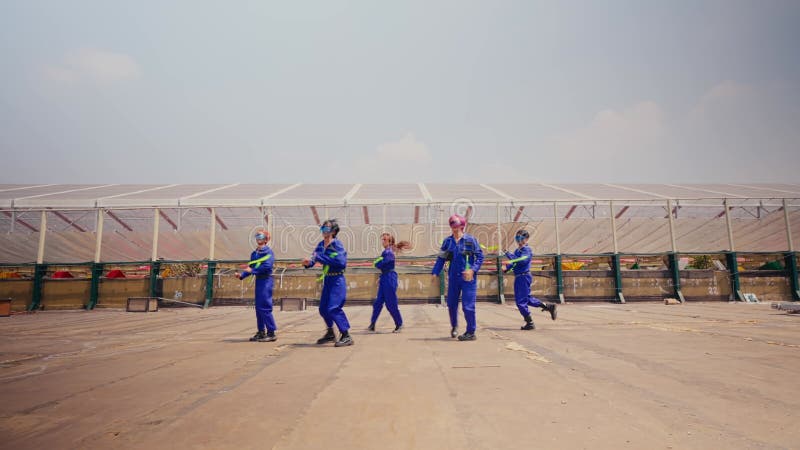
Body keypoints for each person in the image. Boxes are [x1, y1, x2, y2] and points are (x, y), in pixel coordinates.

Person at [432, 214, 484, 341]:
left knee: (468, 306)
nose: (454, 229)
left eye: (456, 226)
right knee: (451, 304)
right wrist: (435, 272)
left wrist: (473, 270)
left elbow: (480, 257)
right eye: (452, 226)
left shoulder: (470, 240)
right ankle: (454, 326)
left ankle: (471, 331)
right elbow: (441, 258)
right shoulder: (447, 242)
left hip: (468, 279)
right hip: (453, 277)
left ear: (462, 226)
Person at [303, 219, 353, 347]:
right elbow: (314, 258)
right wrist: (308, 263)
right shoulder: (320, 245)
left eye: (327, 229)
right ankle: (330, 333)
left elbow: (341, 262)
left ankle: (346, 335)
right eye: (323, 229)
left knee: (333, 308)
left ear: (333, 231)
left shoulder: (337, 245)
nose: (324, 231)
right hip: (328, 280)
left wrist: (320, 258)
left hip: (337, 280)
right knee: (323, 309)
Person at [503, 229, 557, 330]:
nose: (519, 240)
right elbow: (514, 262)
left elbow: (521, 261)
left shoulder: (527, 250)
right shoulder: (517, 251)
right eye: (517, 238)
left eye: (521, 238)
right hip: (519, 277)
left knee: (520, 302)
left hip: (524, 277)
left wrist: (508, 254)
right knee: (527, 299)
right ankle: (548, 306)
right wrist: (507, 268)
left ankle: (529, 322)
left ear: (526, 239)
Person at [236, 230, 277, 342]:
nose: (259, 238)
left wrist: (253, 270)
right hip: (259, 281)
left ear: (266, 239)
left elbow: (267, 267)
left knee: (265, 306)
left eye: (261, 236)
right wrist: (241, 275)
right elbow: (250, 267)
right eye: (257, 236)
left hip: (266, 281)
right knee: (258, 308)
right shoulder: (254, 253)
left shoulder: (268, 252)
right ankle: (261, 332)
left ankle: (271, 332)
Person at [368, 233, 412, 333]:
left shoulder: (389, 253)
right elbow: (382, 265)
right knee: (378, 302)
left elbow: (381, 264)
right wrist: (381, 276)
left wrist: (377, 262)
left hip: (389, 278)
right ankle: (372, 324)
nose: (383, 241)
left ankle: (399, 324)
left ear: (389, 242)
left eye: (385, 240)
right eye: (382, 239)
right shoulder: (386, 252)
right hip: (385, 277)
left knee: (391, 304)